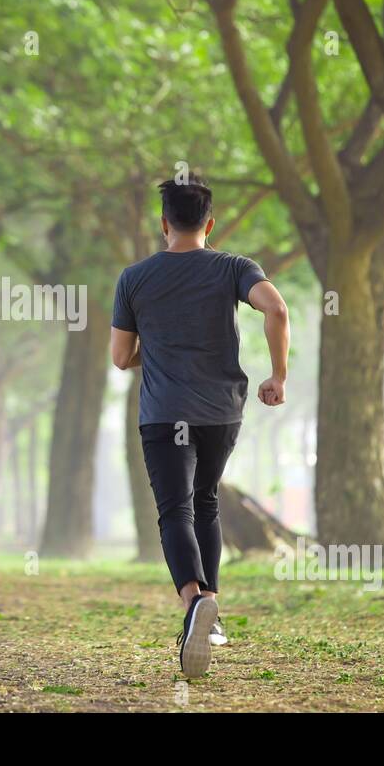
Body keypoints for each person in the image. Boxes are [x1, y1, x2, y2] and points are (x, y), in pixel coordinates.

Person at [110, 175, 290, 679]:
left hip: (166, 412)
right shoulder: (234, 267)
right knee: (206, 501)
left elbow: (122, 357)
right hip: (221, 411)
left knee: (175, 510)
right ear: (210, 224)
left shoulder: (134, 278)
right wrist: (278, 375)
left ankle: (195, 603)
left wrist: (164, 348)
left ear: (163, 223)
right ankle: (210, 614)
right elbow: (276, 307)